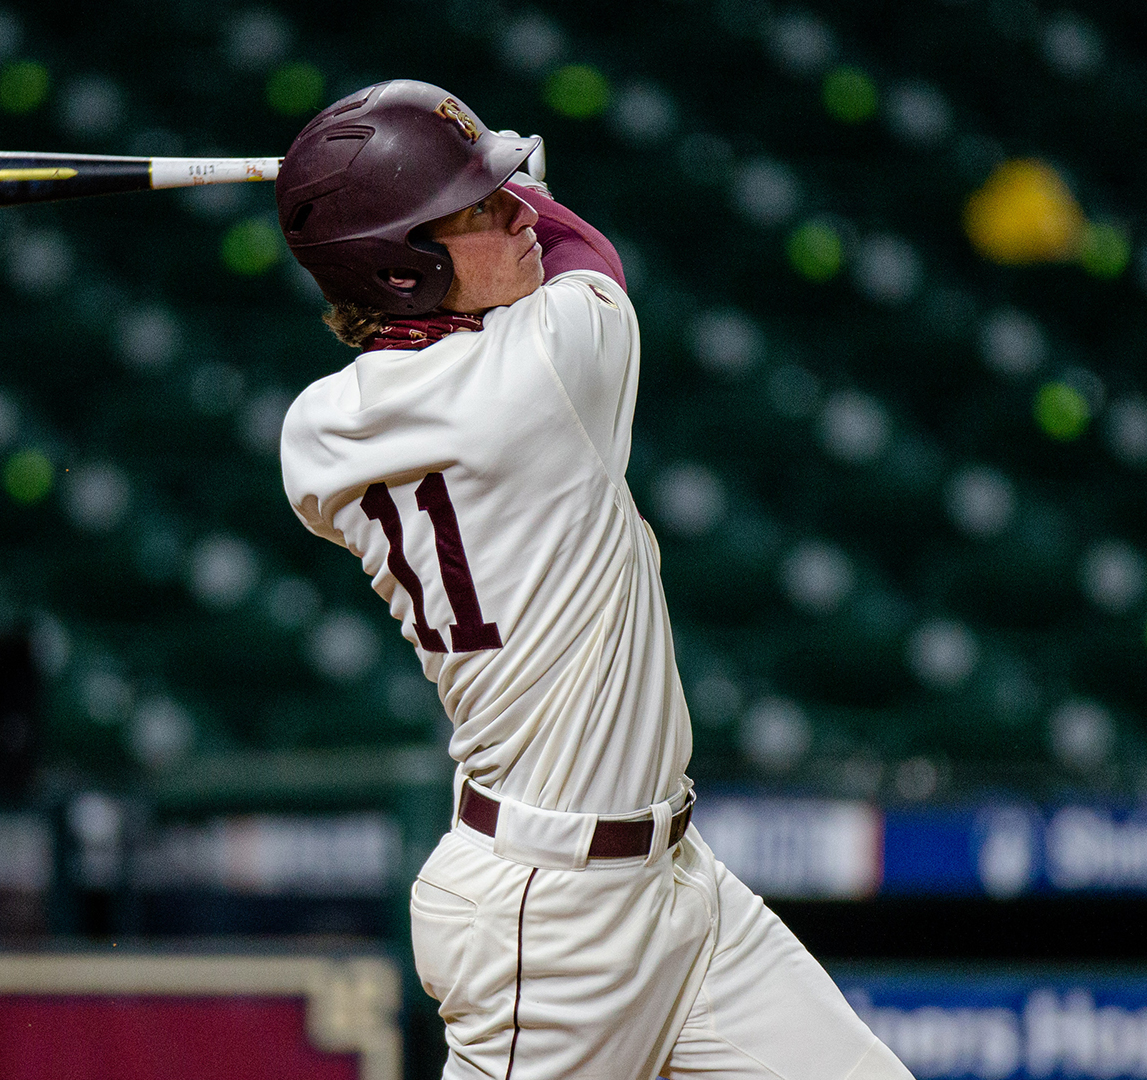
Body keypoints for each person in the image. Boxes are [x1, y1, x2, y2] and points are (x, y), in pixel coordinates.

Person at [276, 81, 914, 1080]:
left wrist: (425, 183)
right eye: (480, 208)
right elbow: (589, 256)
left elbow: (429, 341)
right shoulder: (548, 370)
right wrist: (488, 169)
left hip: (675, 892)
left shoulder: (314, 437)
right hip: (551, 922)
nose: (519, 209)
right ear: (402, 270)